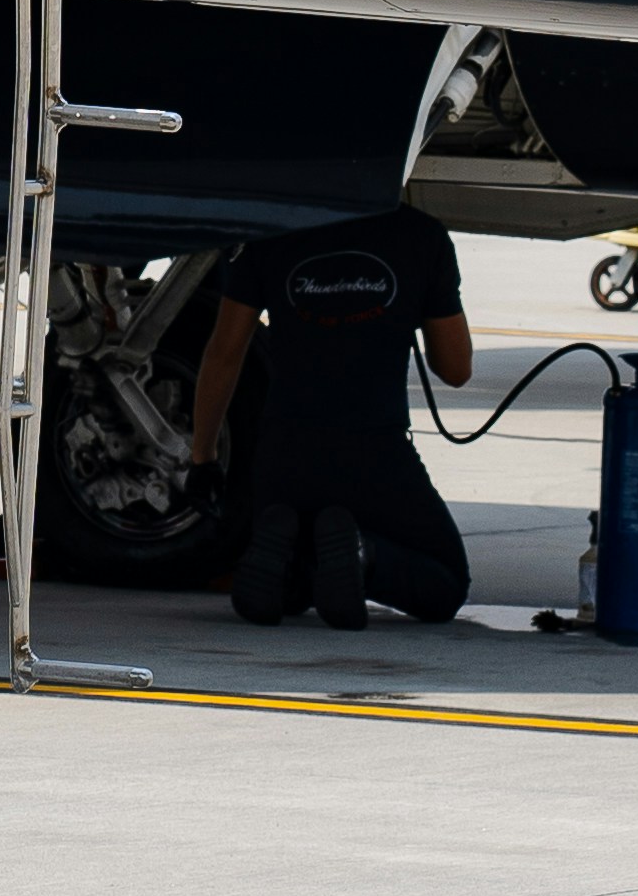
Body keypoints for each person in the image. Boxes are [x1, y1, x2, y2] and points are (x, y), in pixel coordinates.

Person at [193, 204, 473, 630]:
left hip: (284, 458)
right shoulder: (422, 235)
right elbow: (455, 370)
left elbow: (224, 353)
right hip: (376, 456)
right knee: (446, 584)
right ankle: (362, 554)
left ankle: (289, 559)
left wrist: (203, 457)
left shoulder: (272, 231)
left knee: (291, 590)